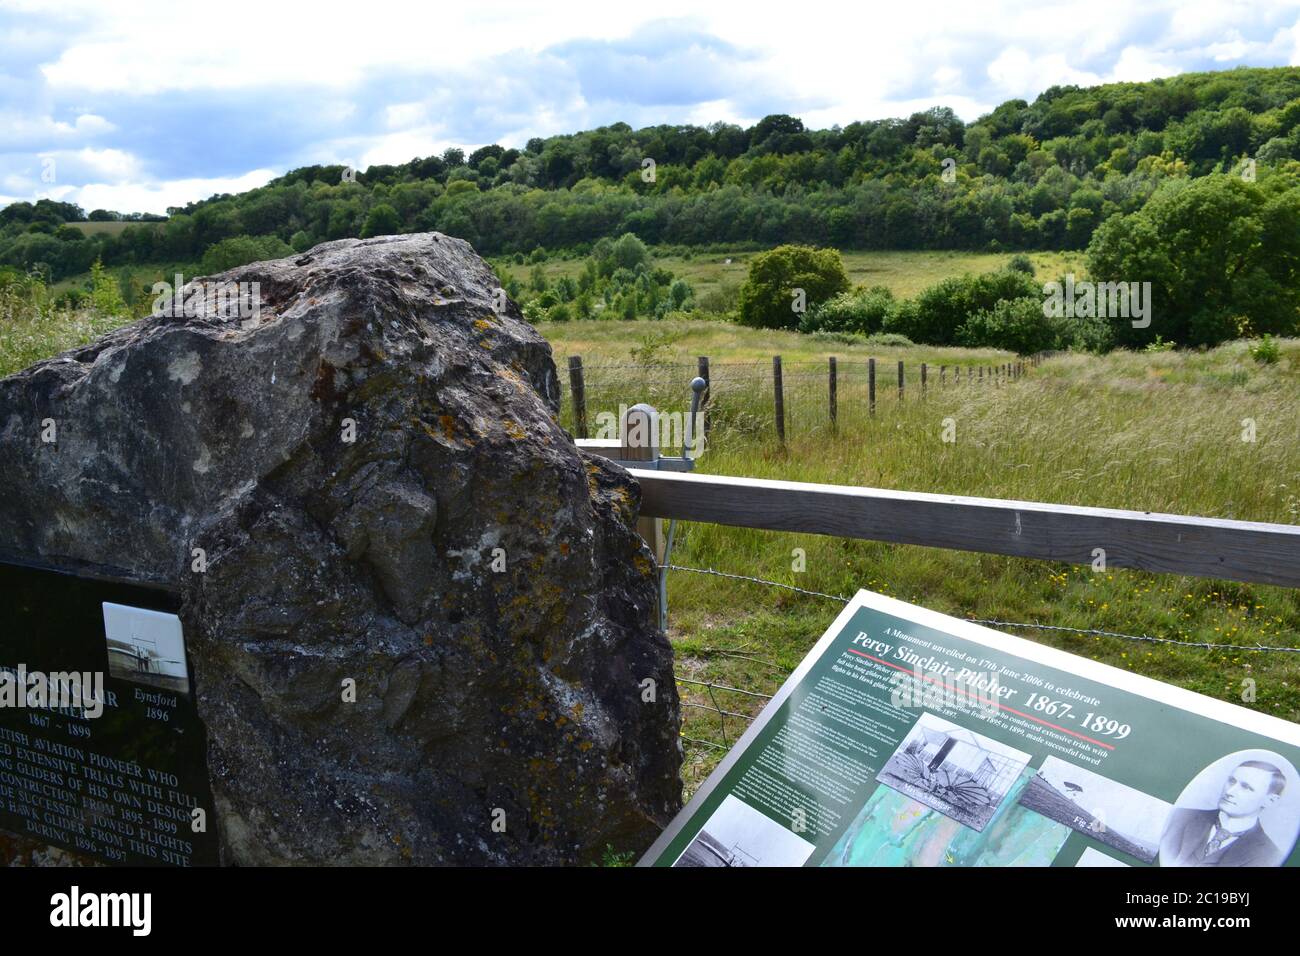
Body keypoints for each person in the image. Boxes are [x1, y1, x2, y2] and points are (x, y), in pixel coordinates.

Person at [1161, 760, 1286, 867]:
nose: (1230, 791)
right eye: (1232, 781)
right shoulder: (1181, 817)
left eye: (1246, 787)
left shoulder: (1269, 855)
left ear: (1270, 801)